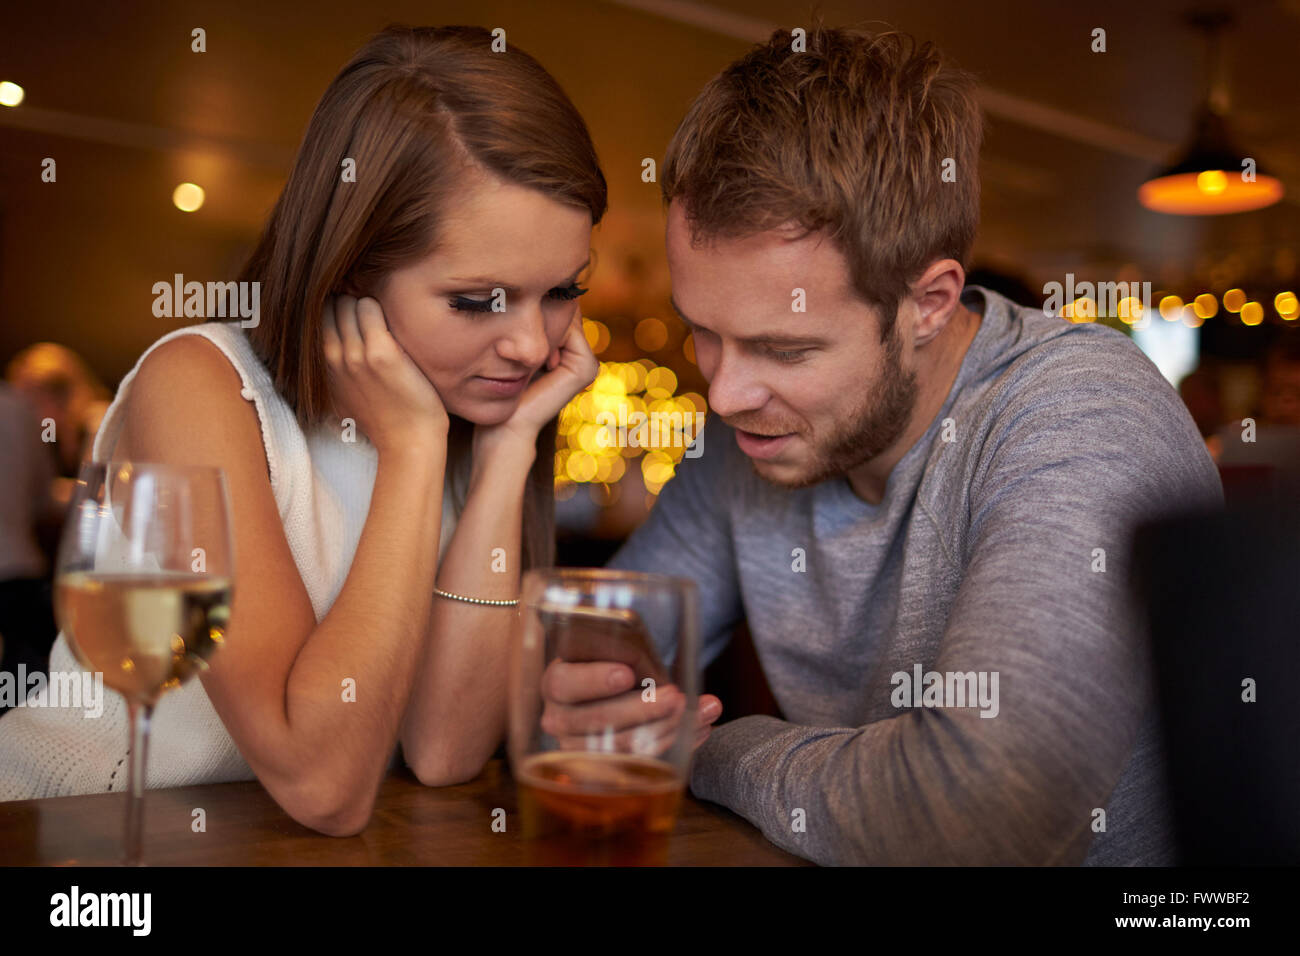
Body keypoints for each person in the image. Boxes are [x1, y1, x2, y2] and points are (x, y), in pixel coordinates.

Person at [544, 25, 1223, 865]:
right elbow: (598, 642)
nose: (724, 395)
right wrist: (582, 692)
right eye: (704, 332)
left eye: (785, 349)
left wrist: (705, 750)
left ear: (929, 302)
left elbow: (981, 816)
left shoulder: (1083, 414)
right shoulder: (750, 436)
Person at [0, 24, 605, 838]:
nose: (533, 346)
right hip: (73, 830)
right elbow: (324, 785)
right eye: (476, 301)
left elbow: (443, 752)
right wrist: (414, 450)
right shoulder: (200, 383)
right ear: (352, 269)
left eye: (563, 289)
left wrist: (504, 455)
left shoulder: (469, 409)